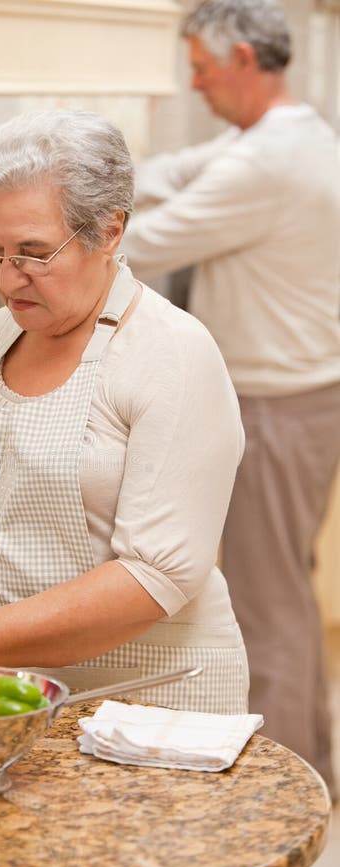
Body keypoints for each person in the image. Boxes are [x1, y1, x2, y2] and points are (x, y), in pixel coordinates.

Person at [0, 107, 249, 715]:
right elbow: (2, 477)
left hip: (153, 704)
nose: (8, 280)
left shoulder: (172, 354)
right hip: (16, 699)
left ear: (109, 231)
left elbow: (155, 576)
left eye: (33, 253)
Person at [119, 0, 340, 798]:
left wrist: (66, 225)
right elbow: (174, 172)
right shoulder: (280, 139)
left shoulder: (268, 163)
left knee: (264, 600)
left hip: (276, 406)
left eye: (205, 71)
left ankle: (286, 791)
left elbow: (147, 240)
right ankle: (309, 762)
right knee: (279, 587)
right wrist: (89, 175)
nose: (197, 86)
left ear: (244, 59)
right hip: (297, 397)